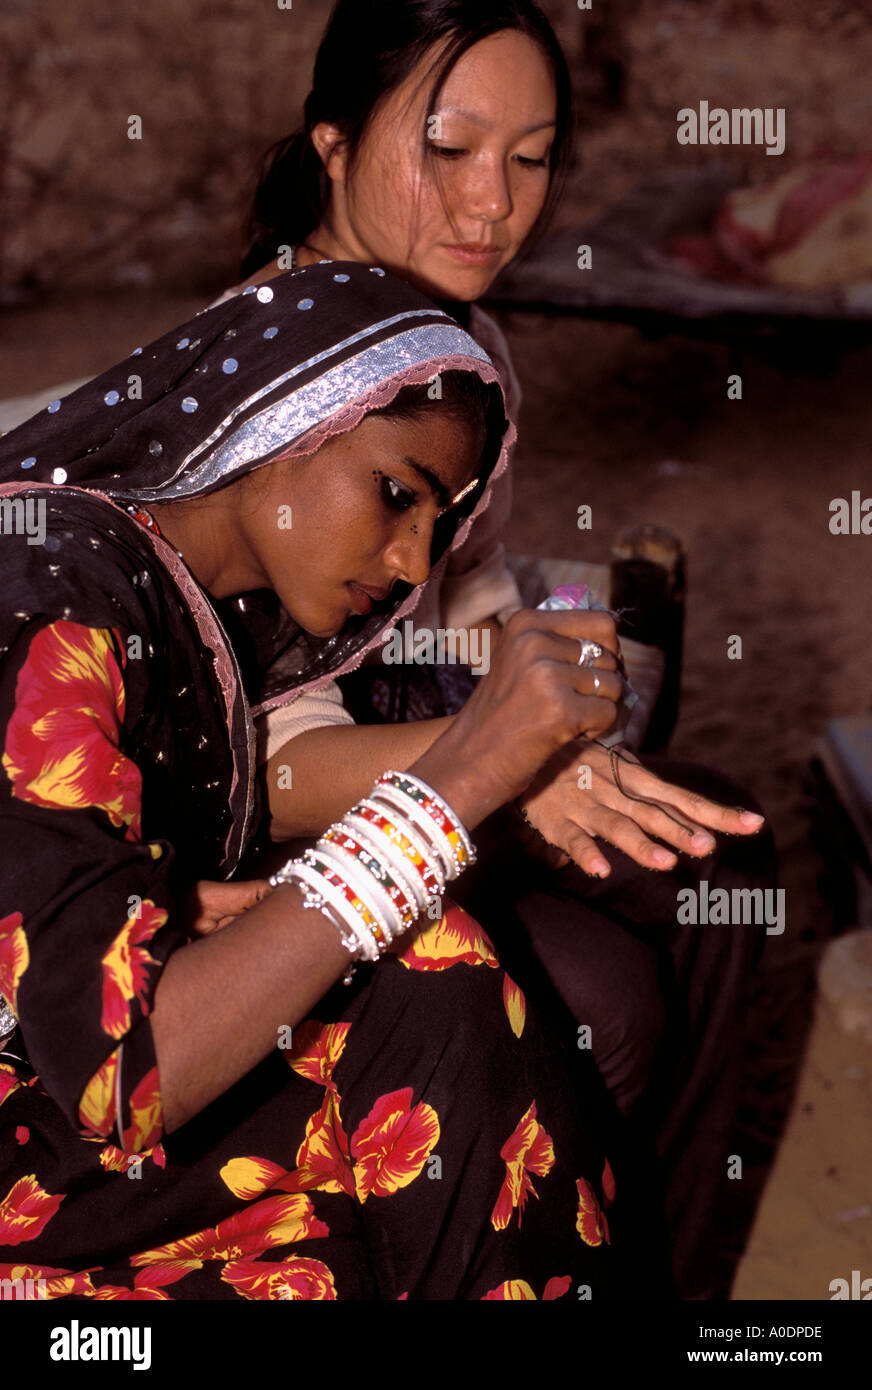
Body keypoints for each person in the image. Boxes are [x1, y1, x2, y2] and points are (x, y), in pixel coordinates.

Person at [216, 0, 776, 1296]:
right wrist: (509, 757)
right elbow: (267, 759)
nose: (493, 205)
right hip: (281, 833)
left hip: (427, 757)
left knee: (718, 858)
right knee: (608, 996)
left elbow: (460, 607)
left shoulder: (465, 346)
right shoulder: (272, 381)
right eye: (452, 149)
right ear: (336, 145)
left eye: (529, 159)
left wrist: (568, 707)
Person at [0, 262, 638, 1301]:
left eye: (439, 522)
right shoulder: (57, 609)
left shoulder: (185, 605)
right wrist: (461, 775)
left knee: (436, 985)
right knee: (431, 992)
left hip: (61, 1079)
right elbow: (125, 1071)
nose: (409, 558)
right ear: (286, 424)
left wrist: (192, 912)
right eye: (396, 494)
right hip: (49, 1123)